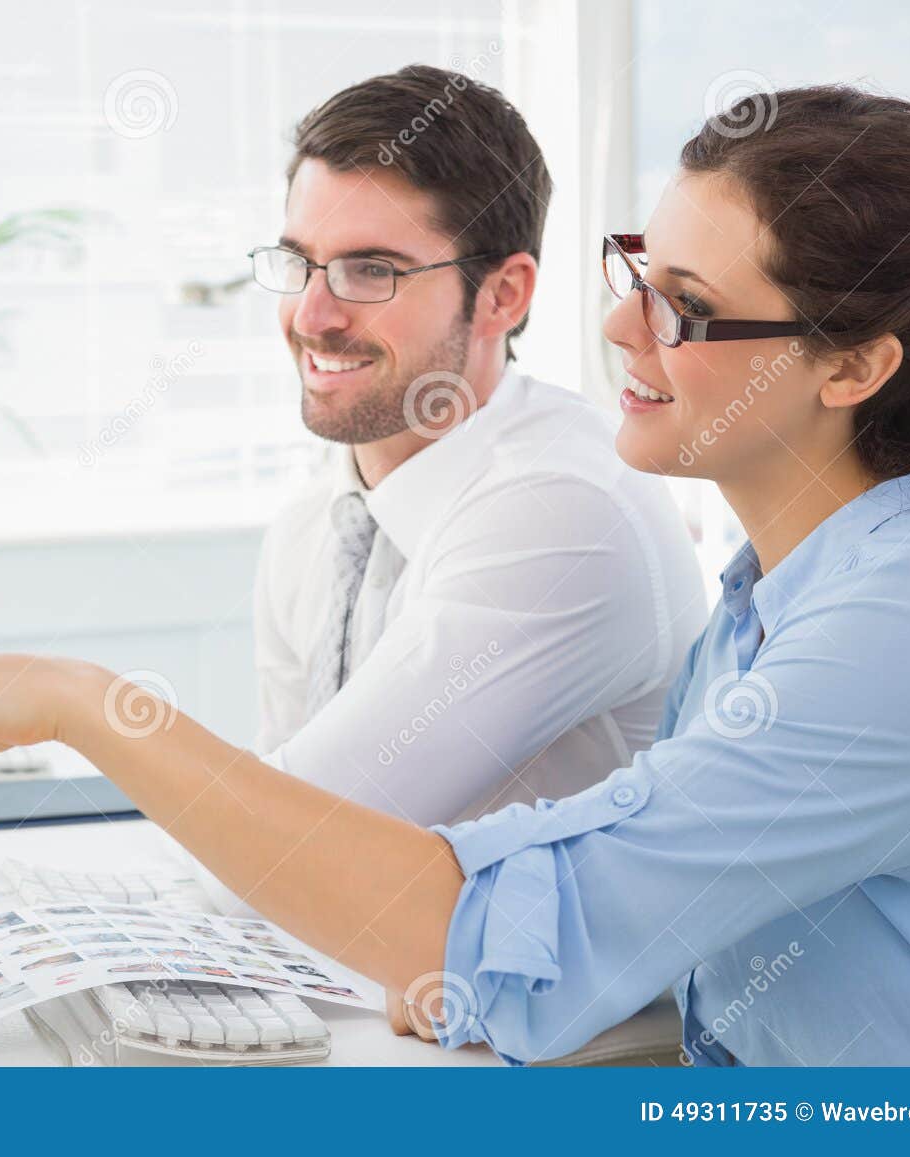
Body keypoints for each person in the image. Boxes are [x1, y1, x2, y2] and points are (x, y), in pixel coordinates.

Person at [0, 84, 910, 1065]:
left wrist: (75, 698)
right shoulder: (778, 595)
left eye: (684, 305)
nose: (618, 324)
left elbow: (483, 913)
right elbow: (611, 899)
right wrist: (492, 968)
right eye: (636, 269)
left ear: (852, 366)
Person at [244, 67, 704, 836]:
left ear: (503, 296)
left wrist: (75, 705)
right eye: (299, 263)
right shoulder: (313, 523)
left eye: (371, 271)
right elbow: (258, 826)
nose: (311, 314)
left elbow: (296, 835)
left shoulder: (563, 505)